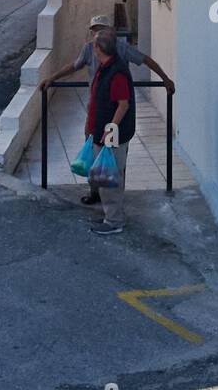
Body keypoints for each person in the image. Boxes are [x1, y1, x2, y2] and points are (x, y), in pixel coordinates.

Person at [41, 14, 174, 206]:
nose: (97, 33)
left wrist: (165, 79)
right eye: (95, 30)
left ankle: (113, 201)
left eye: (101, 29)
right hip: (96, 111)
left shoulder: (120, 52)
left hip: (115, 116)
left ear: (110, 31)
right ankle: (96, 192)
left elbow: (145, 61)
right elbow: (74, 66)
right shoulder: (89, 49)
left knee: (115, 155)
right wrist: (52, 78)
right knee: (94, 151)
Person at [85, 30, 134, 236]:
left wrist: (110, 129)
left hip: (112, 133)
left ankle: (114, 221)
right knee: (105, 177)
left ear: (99, 48)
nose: (92, 47)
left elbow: (123, 105)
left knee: (108, 178)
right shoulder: (107, 68)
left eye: (94, 44)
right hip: (103, 130)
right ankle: (112, 215)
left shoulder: (116, 72)